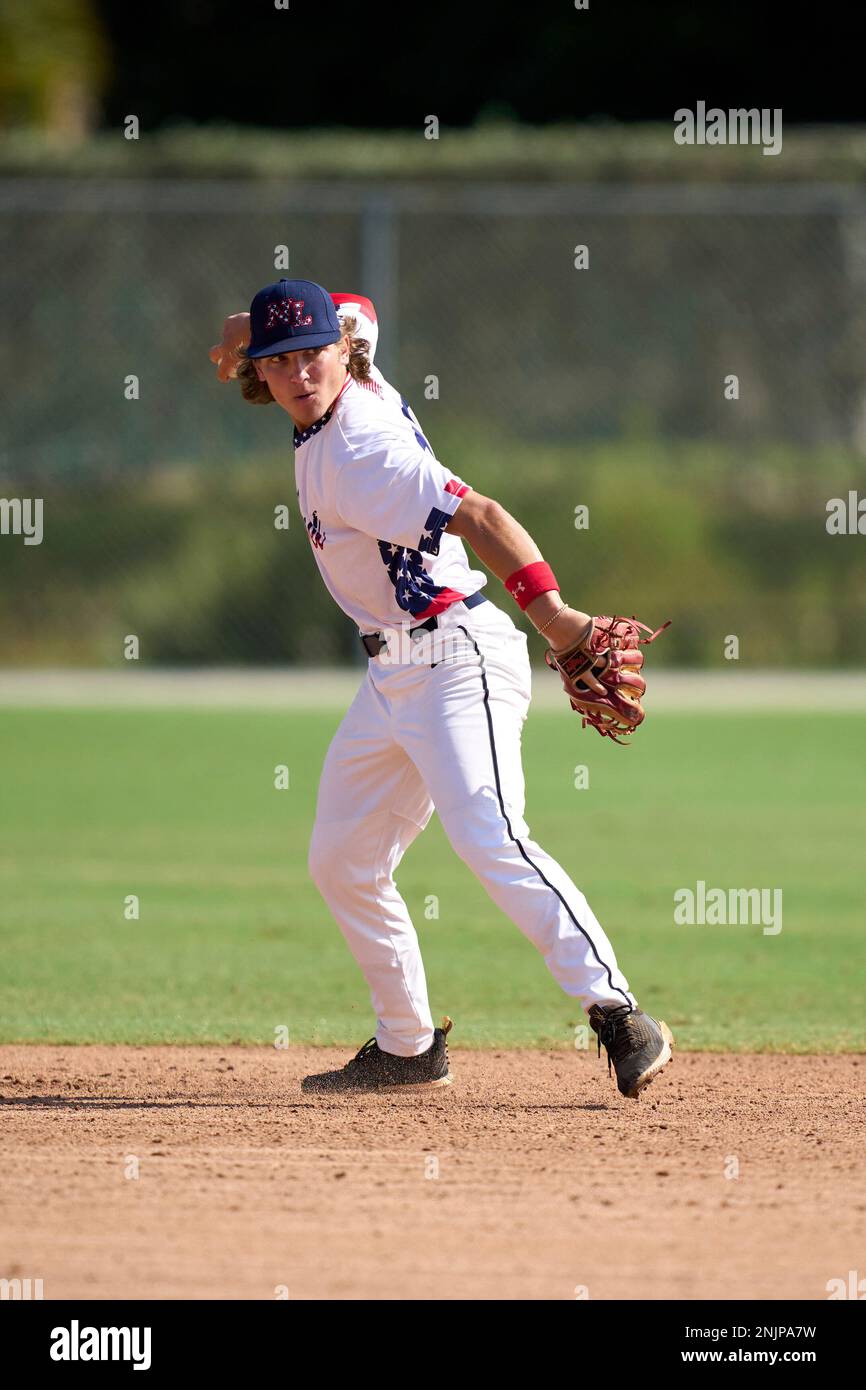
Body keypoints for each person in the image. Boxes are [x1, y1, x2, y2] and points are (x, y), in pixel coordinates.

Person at [209, 277, 673, 1100]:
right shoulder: (356, 365)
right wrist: (258, 326)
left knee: (488, 833)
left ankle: (620, 1016)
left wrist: (558, 619)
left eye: (314, 354)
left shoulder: (363, 452)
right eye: (281, 360)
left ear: (340, 356)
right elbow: (357, 309)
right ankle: (409, 1047)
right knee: (343, 860)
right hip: (390, 677)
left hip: (458, 660)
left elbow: (485, 517)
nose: (301, 371)